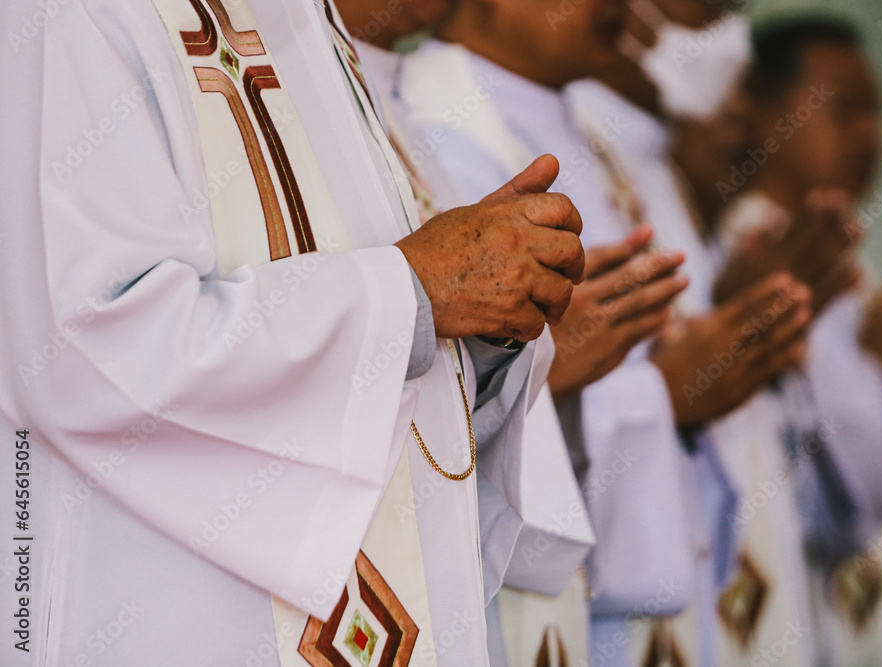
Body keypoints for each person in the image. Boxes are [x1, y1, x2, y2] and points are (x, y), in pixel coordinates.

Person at [0, 0, 589, 664]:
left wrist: (481, 332)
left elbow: (390, 294)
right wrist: (414, 293)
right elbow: (82, 353)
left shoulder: (305, 16)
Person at [399, 0, 814, 663]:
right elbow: (443, 398)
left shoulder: (601, 136)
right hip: (519, 593)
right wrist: (663, 397)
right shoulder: (437, 124)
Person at [720, 15, 882, 665]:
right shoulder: (743, 254)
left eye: (877, 112)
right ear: (764, 117)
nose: (870, 133)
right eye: (845, 109)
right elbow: (829, 488)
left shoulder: (858, 269)